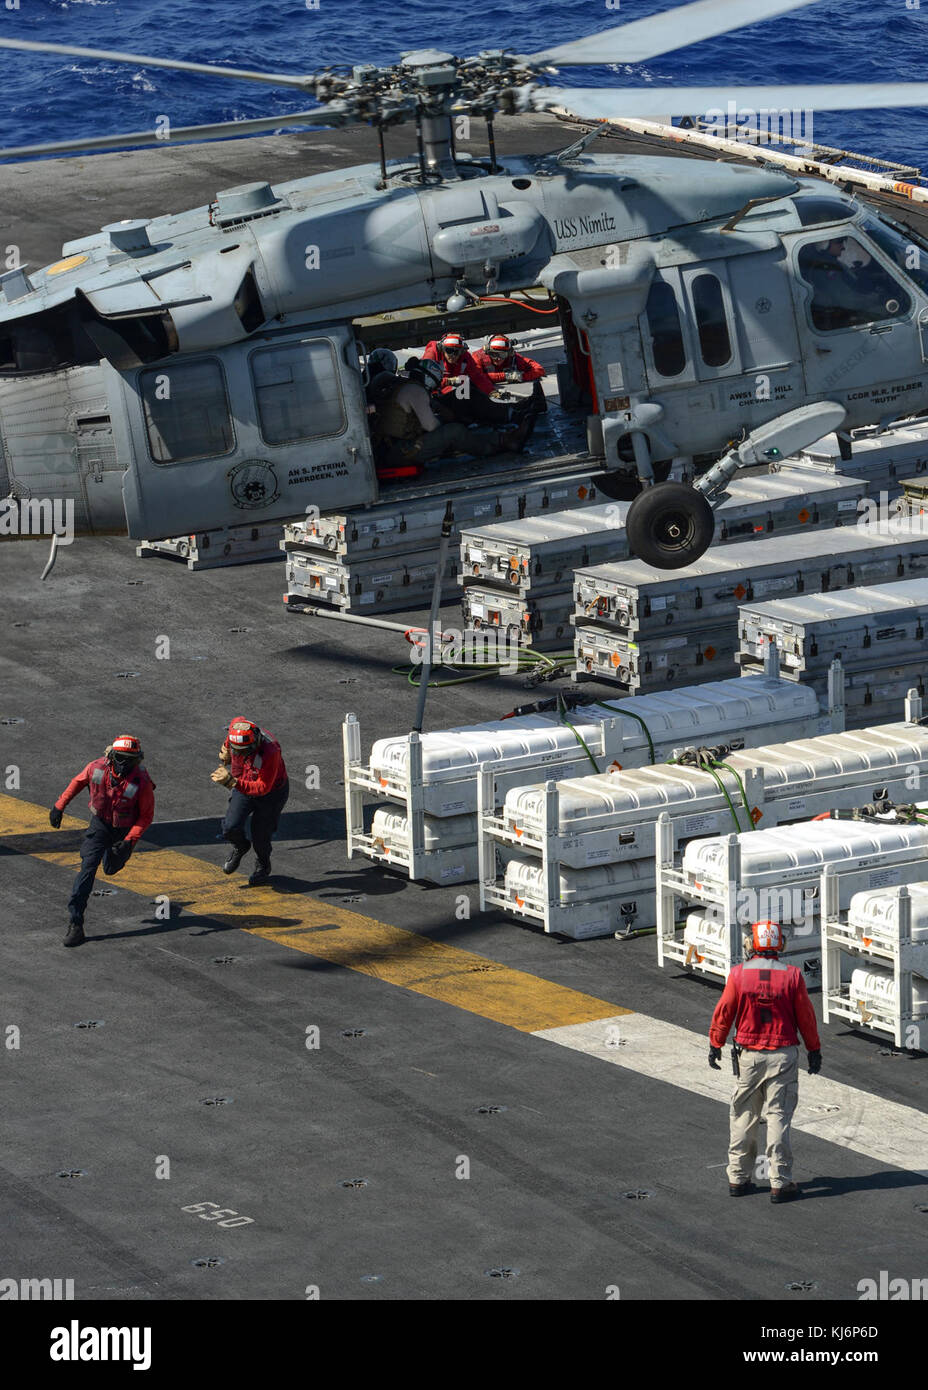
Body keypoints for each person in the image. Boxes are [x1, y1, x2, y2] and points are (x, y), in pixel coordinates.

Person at [708, 920, 822, 1204]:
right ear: (779, 945)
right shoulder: (793, 976)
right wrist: (814, 1049)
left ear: (752, 945)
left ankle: (738, 1177)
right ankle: (780, 1182)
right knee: (778, 1116)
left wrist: (715, 1043)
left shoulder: (738, 974)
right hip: (783, 1056)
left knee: (744, 1116)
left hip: (749, 1057)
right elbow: (806, 1017)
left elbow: (724, 1012)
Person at [50, 734, 155, 948]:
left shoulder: (141, 781)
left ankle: (116, 854)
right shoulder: (96, 767)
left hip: (124, 831)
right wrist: (59, 806)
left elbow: (146, 815)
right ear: (112, 755)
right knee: (87, 869)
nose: (124, 763)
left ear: (138, 760)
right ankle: (76, 923)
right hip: (100, 827)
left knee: (110, 869)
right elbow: (77, 782)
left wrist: (129, 841)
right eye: (120, 757)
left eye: (130, 759)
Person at [374, 356, 534, 470]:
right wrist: (453, 421)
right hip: (400, 451)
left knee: (464, 395)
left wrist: (440, 409)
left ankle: (512, 413)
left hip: (391, 445)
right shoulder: (416, 391)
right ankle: (504, 441)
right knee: (454, 432)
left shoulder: (405, 385)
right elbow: (432, 427)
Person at [212, 717, 289, 886]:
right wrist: (226, 747)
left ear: (255, 744)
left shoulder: (271, 751)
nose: (239, 754)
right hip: (243, 785)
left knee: (260, 837)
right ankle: (240, 846)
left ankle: (263, 864)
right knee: (230, 827)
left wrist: (231, 782)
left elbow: (262, 788)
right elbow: (235, 723)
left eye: (243, 752)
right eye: (236, 751)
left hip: (270, 794)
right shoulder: (238, 731)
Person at [422, 331, 529, 428]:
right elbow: (423, 380)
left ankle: (513, 408)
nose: (453, 355)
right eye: (449, 350)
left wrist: (491, 392)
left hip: (452, 397)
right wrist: (448, 382)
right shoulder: (432, 355)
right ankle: (510, 413)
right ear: (442, 348)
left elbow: (477, 377)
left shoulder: (465, 357)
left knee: (473, 391)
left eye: (457, 352)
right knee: (470, 394)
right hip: (434, 401)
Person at [472, 334, 547, 413]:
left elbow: (539, 369)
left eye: (502, 355)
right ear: (487, 351)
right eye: (493, 354)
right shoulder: (477, 357)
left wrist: (521, 376)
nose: (498, 358)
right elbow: (477, 378)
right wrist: (506, 376)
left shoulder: (514, 358)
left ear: (509, 353)